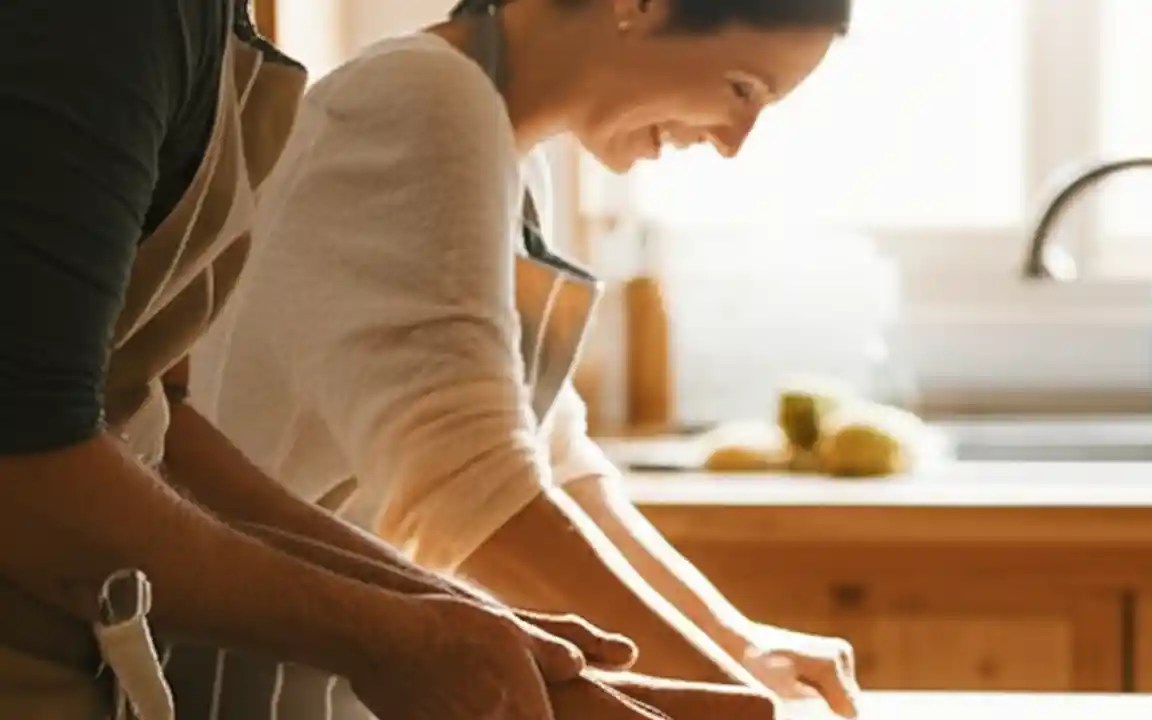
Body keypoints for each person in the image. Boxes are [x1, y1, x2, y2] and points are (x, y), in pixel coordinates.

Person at [0, 1, 668, 718]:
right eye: (744, 90)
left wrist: (455, 618)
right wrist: (386, 635)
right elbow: (27, 454)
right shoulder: (111, 21)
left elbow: (160, 427)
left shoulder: (208, 28)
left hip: (92, 647)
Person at [193, 0, 859, 716]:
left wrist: (736, 648)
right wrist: (736, 695)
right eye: (743, 89)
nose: (735, 142)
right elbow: (474, 493)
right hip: (261, 683)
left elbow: (556, 466)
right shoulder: (422, 102)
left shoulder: (499, 143)